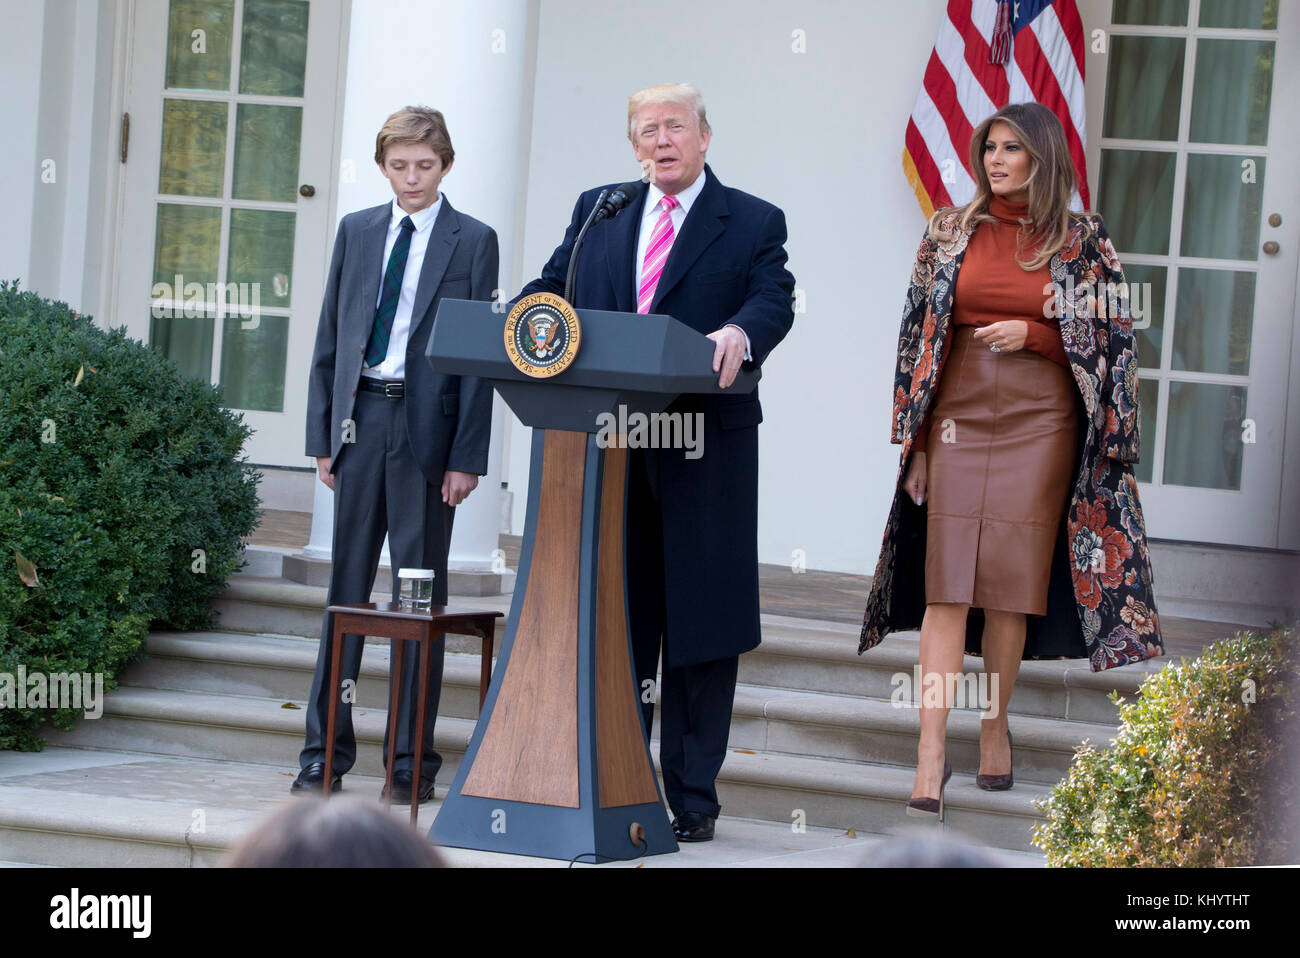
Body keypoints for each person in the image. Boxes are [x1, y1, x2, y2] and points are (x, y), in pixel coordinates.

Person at [859, 102, 1163, 820]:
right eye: (990, 148)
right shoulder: (949, 231)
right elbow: (916, 339)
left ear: (1042, 157)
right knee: (946, 586)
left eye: (1012, 149)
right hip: (959, 410)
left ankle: (994, 725)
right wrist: (920, 442)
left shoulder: (1081, 240)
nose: (996, 160)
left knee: (1008, 586)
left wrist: (1038, 335)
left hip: (1042, 419)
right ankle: (931, 750)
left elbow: (1115, 340)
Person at [517, 83, 795, 842]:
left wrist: (741, 330)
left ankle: (693, 797)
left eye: (676, 126)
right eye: (648, 130)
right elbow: (550, 289)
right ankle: (618, 777)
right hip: (611, 444)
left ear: (705, 136)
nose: (662, 140)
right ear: (634, 145)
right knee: (618, 614)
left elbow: (775, 298)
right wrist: (523, 320)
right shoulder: (598, 211)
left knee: (703, 622)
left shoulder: (752, 220)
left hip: (706, 447)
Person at [294, 106, 499, 804]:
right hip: (359, 429)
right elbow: (331, 338)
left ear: (445, 165)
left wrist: (467, 455)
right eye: (399, 165)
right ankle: (322, 758)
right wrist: (323, 435)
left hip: (425, 442)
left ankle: (409, 766)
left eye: (425, 165)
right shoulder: (356, 231)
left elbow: (477, 356)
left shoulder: (474, 241)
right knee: (345, 595)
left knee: (418, 601)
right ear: (383, 166)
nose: (412, 178)